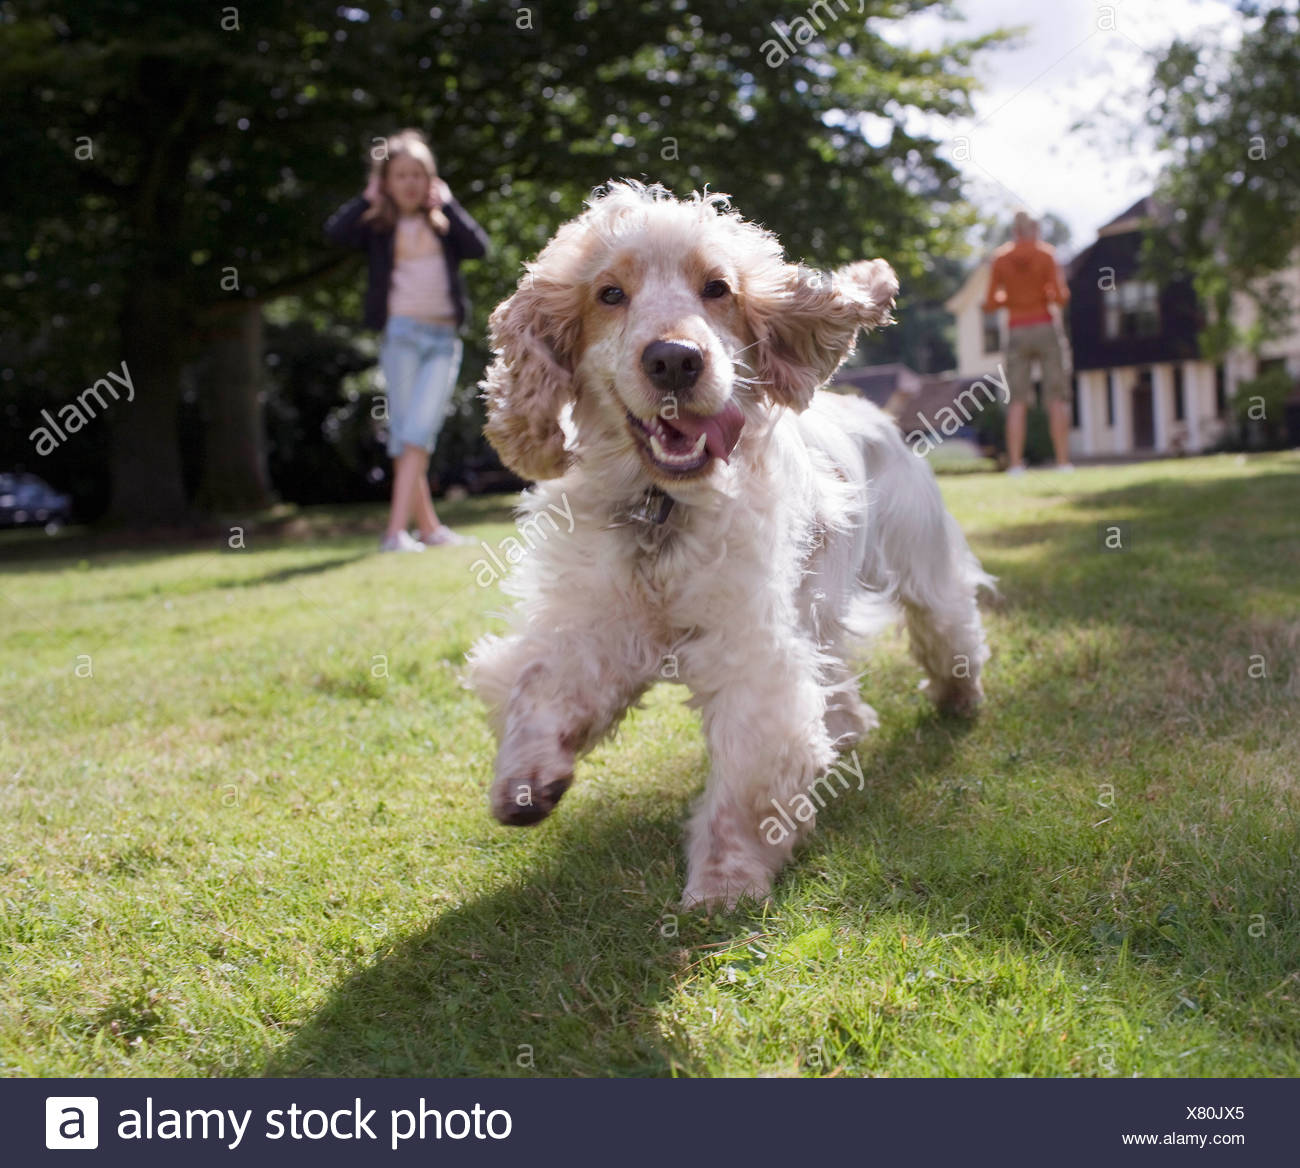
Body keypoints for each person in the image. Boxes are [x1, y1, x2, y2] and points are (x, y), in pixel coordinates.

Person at [324, 128, 489, 550]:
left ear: (430, 179)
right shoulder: (378, 226)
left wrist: (450, 204)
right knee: (406, 433)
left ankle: (402, 531)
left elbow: (480, 248)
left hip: (442, 338)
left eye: (418, 174)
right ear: (387, 181)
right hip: (401, 336)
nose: (410, 183)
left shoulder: (444, 224)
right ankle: (411, 530)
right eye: (400, 175)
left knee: (417, 430)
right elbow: (334, 232)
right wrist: (368, 197)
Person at [982, 210, 1073, 473]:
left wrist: (1010, 298)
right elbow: (1061, 298)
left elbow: (989, 303)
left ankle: (1016, 465)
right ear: (1035, 230)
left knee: (1017, 401)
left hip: (1016, 330)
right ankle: (1064, 463)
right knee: (1056, 398)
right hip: (1046, 326)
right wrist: (1042, 293)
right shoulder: (1047, 255)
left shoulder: (1001, 259)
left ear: (1014, 231)